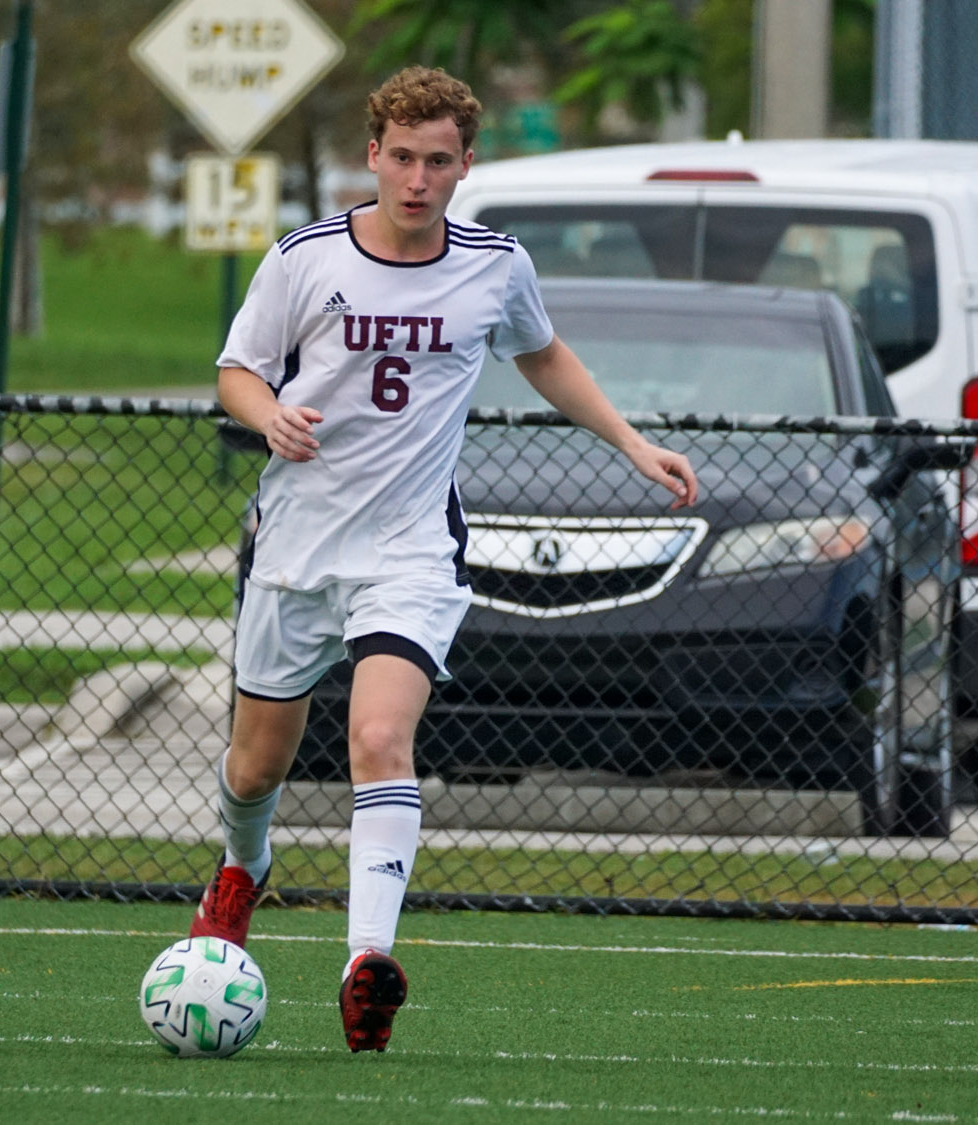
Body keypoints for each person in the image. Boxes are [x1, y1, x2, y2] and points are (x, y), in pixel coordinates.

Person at [190, 66, 702, 1053]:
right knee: (255, 767)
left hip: (411, 547)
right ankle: (239, 872)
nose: (417, 179)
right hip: (297, 542)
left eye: (439, 161)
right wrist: (269, 417)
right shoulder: (304, 259)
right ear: (370, 155)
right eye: (402, 158)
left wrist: (632, 444)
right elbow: (235, 372)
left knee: (379, 740)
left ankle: (363, 965)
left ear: (466, 165)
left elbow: (542, 354)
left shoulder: (493, 266)